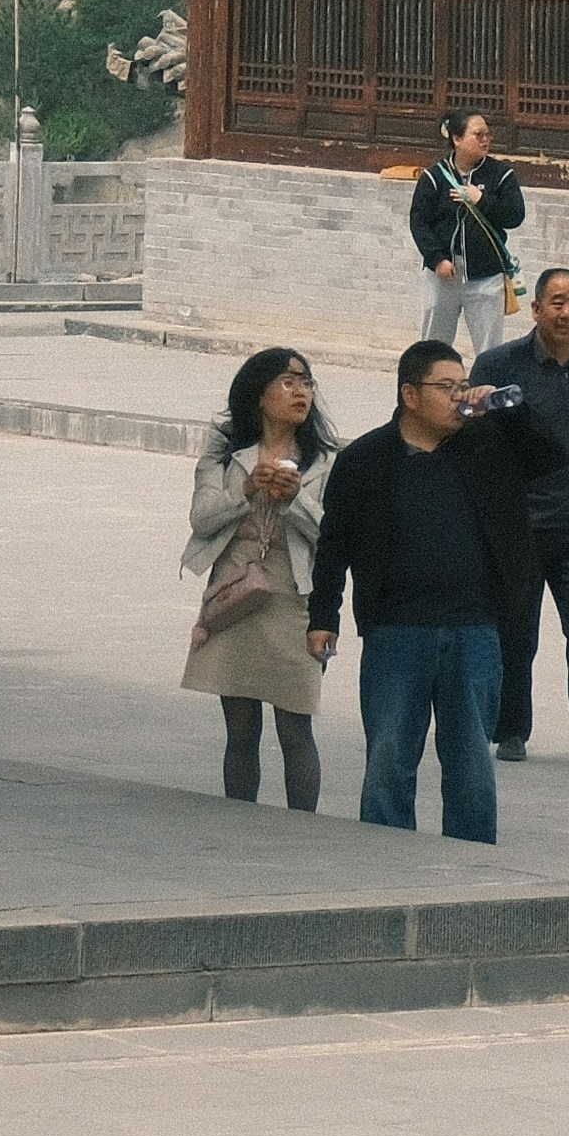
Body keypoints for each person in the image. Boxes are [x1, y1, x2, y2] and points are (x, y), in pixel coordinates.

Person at [302, 336, 508, 841]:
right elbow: (335, 544)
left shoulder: (484, 447)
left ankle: (474, 858)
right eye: (447, 387)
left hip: (472, 629)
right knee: (391, 758)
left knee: (471, 764)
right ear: (410, 395)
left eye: (464, 385)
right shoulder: (367, 459)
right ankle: (386, 856)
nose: (459, 396)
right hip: (396, 633)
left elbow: (549, 457)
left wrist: (504, 409)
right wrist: (323, 617)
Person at [469, 266, 569, 769]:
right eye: (557, 302)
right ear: (535, 309)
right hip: (518, 523)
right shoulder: (499, 362)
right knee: (517, 631)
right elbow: (470, 438)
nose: (567, 312)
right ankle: (511, 728)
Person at [182, 346, 332, 809]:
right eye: (288, 382)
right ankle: (239, 817)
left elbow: (335, 535)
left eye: (306, 383)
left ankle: (301, 824)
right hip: (235, 593)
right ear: (259, 394)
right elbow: (202, 520)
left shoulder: (324, 460)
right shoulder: (227, 455)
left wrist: (294, 501)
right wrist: (244, 491)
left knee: (295, 726)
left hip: (293, 595)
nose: (300, 392)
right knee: (241, 728)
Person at [402, 105, 526, 345]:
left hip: (486, 274)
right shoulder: (434, 176)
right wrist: (437, 258)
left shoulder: (501, 175)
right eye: (478, 135)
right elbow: (419, 221)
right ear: (457, 139)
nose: (485, 140)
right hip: (442, 274)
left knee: (489, 347)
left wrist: (482, 200)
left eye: (488, 134)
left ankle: (488, 384)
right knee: (434, 345)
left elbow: (515, 216)